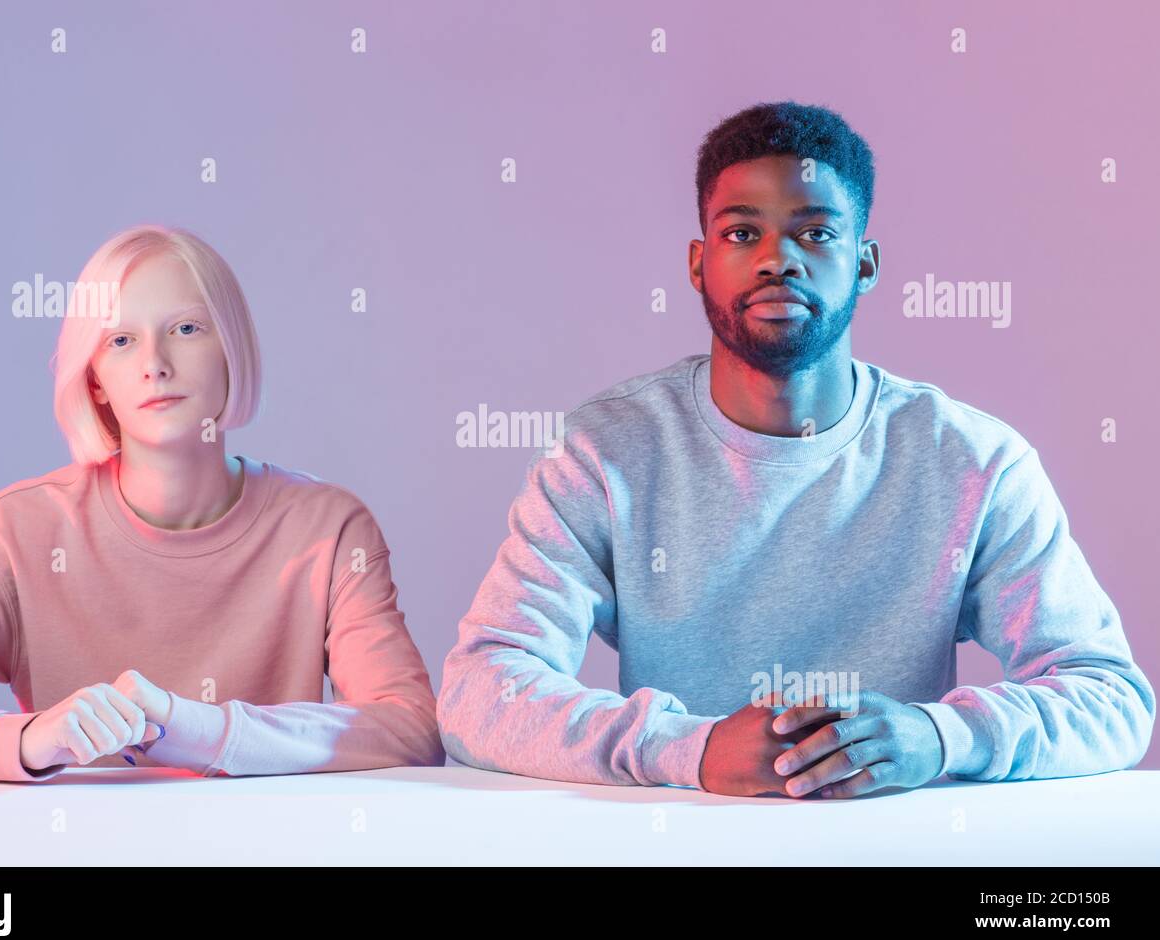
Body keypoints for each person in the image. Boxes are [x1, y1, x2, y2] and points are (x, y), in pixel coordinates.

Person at [436, 101, 1155, 798]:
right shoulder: (605, 452)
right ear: (697, 264)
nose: (778, 260)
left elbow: (1111, 698)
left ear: (866, 264)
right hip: (674, 842)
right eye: (742, 234)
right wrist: (691, 748)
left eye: (815, 234)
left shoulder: (973, 461)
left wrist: (940, 737)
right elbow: (480, 692)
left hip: (898, 849)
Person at [0, 225, 444, 781]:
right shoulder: (16, 532)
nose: (154, 364)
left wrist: (204, 730)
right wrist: (28, 740)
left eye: (186, 329)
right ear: (94, 382)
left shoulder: (330, 529)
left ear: (231, 349)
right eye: (120, 340)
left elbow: (409, 726)